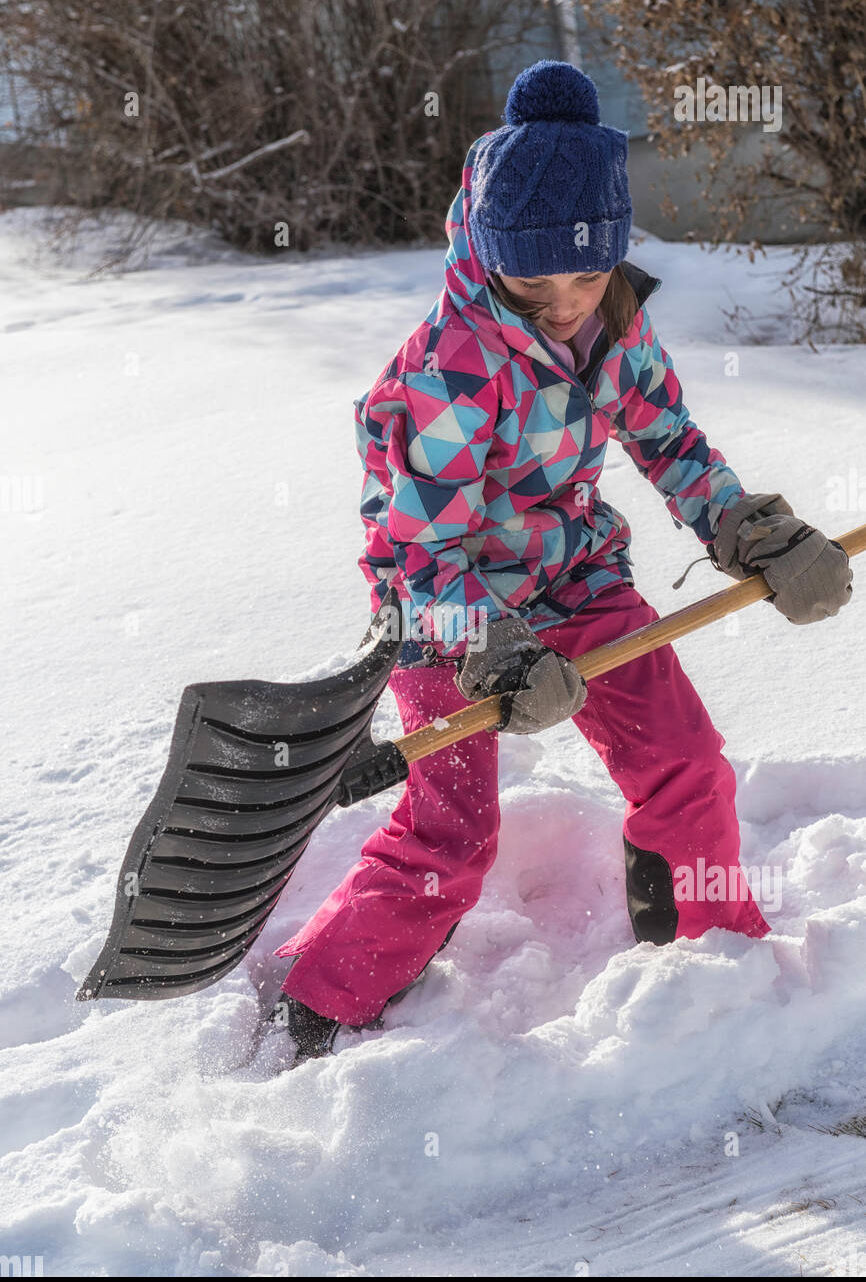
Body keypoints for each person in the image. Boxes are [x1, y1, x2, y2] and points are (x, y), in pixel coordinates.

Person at [269, 60, 853, 1065]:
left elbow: (670, 444)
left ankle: (712, 962)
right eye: (531, 282)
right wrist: (490, 650)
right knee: (451, 835)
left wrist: (749, 532)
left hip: (573, 578)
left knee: (686, 766)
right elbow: (420, 549)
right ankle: (321, 1006)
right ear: (490, 258)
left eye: (584, 275)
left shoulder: (614, 322)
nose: (563, 304)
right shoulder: (450, 366)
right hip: (442, 610)